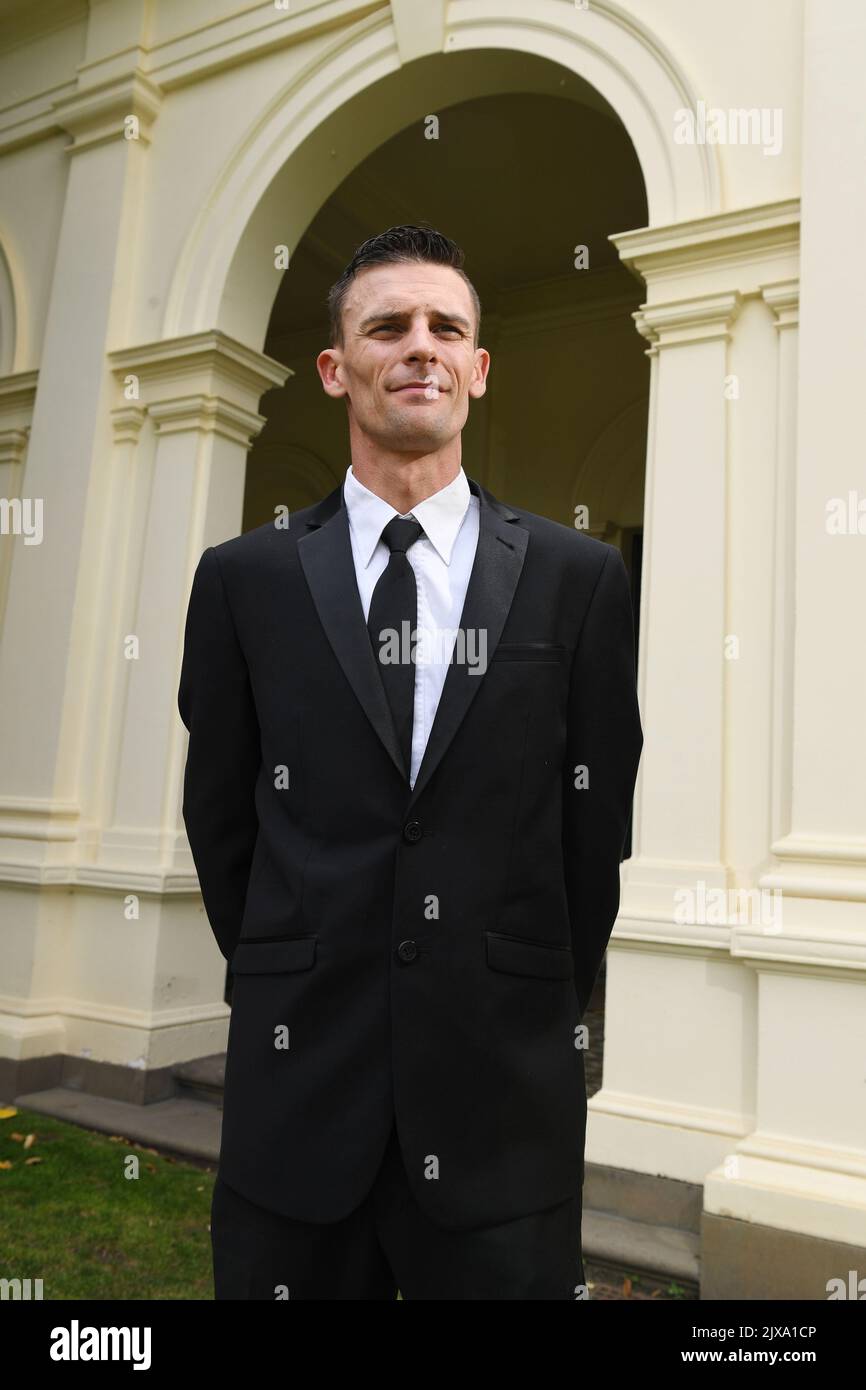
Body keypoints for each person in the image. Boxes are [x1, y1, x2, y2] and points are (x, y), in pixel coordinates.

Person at [178, 224, 643, 1299]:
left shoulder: (578, 579)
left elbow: (592, 829)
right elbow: (223, 823)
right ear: (338, 369)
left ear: (477, 370)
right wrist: (284, 965)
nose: (419, 346)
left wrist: (524, 989)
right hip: (297, 1089)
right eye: (386, 326)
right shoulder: (243, 580)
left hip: (500, 1097)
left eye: (446, 328)